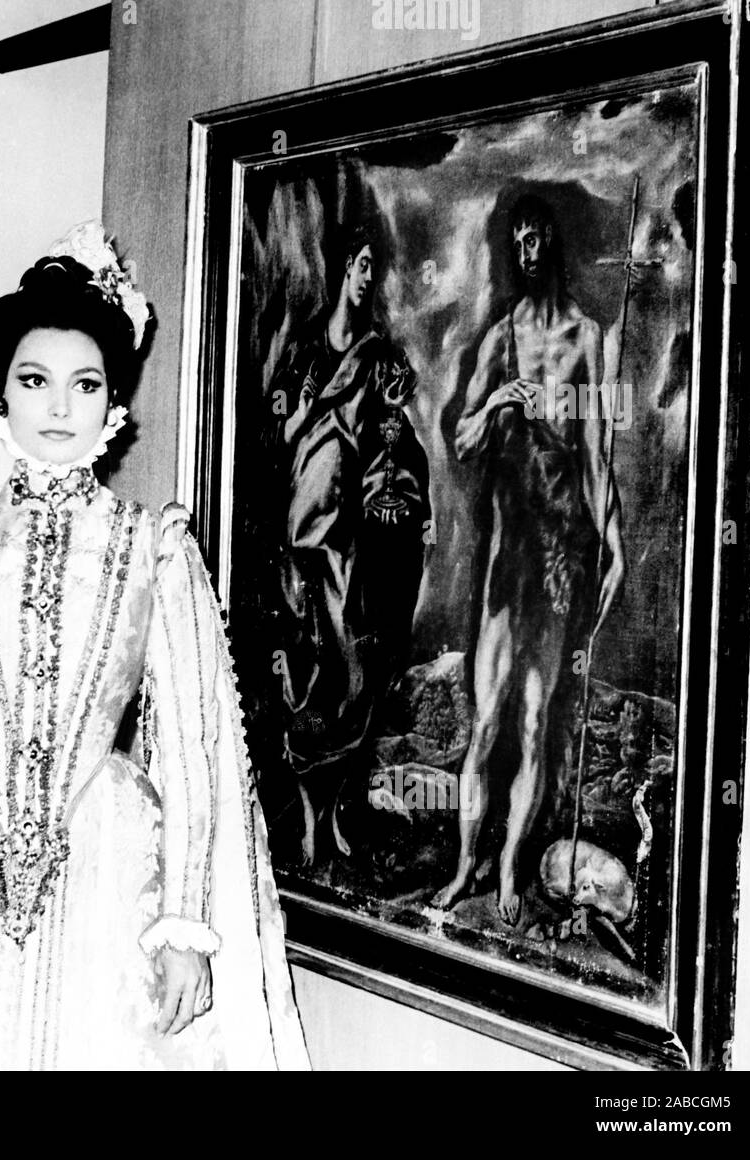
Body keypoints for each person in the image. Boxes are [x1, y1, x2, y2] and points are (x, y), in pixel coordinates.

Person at [0, 224, 310, 1069]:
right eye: (35, 381)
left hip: (110, 866)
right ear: (2, 394)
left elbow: (194, 750)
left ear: (112, 402)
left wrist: (185, 927)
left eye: (84, 384)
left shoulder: (155, 546)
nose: (59, 408)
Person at [431, 193, 625, 924]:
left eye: (538, 237)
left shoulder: (588, 337)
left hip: (560, 549)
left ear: (554, 245)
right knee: (487, 723)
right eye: (519, 240)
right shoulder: (503, 337)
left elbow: (597, 456)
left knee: (538, 721)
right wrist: (496, 407)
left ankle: (510, 873)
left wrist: (615, 545)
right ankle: (460, 871)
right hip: (510, 552)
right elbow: (462, 438)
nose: (529, 250)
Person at [268, 226, 430, 864]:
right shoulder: (306, 350)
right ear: (340, 268)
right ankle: (307, 820)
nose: (368, 277)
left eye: (373, 268)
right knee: (307, 670)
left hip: (350, 540)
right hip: (304, 530)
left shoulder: (377, 354)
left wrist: (394, 421)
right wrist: (307, 413)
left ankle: (334, 817)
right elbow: (281, 437)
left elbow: (394, 438)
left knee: (352, 677)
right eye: (361, 265)